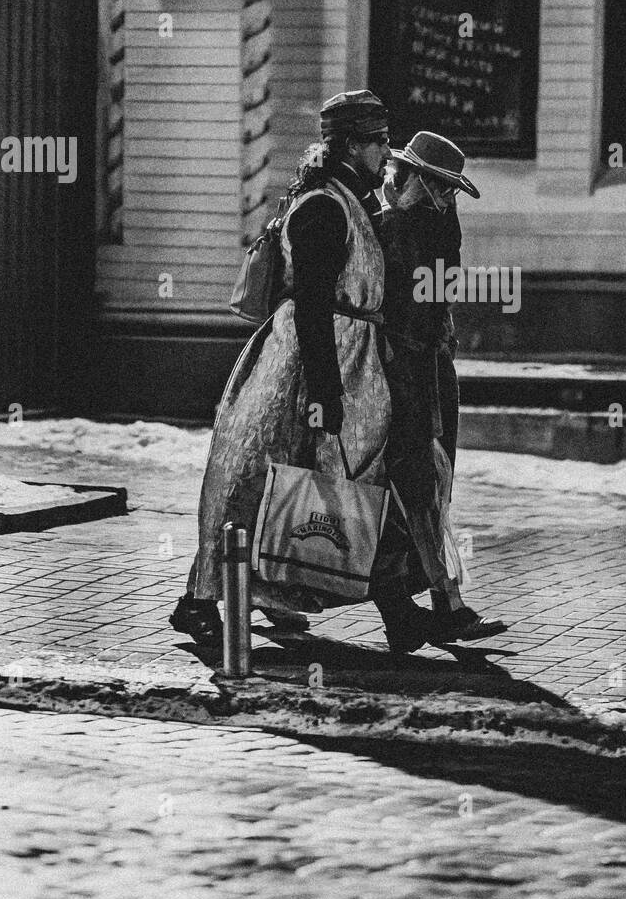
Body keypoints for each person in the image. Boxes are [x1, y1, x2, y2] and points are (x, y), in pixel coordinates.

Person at [171, 90, 444, 655]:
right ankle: (198, 602)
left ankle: (397, 612)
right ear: (350, 144)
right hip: (307, 364)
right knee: (254, 480)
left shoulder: (350, 199)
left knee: (362, 482)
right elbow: (315, 302)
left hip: (354, 360)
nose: (386, 151)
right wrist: (322, 391)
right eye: (379, 142)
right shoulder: (324, 206)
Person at [380, 131, 507, 642]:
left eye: (451, 191)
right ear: (412, 178)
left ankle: (422, 607)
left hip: (429, 372)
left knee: (429, 485)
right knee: (413, 485)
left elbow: (438, 299)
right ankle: (437, 605)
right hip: (399, 377)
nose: (446, 198)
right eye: (439, 187)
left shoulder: (431, 228)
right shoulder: (389, 228)